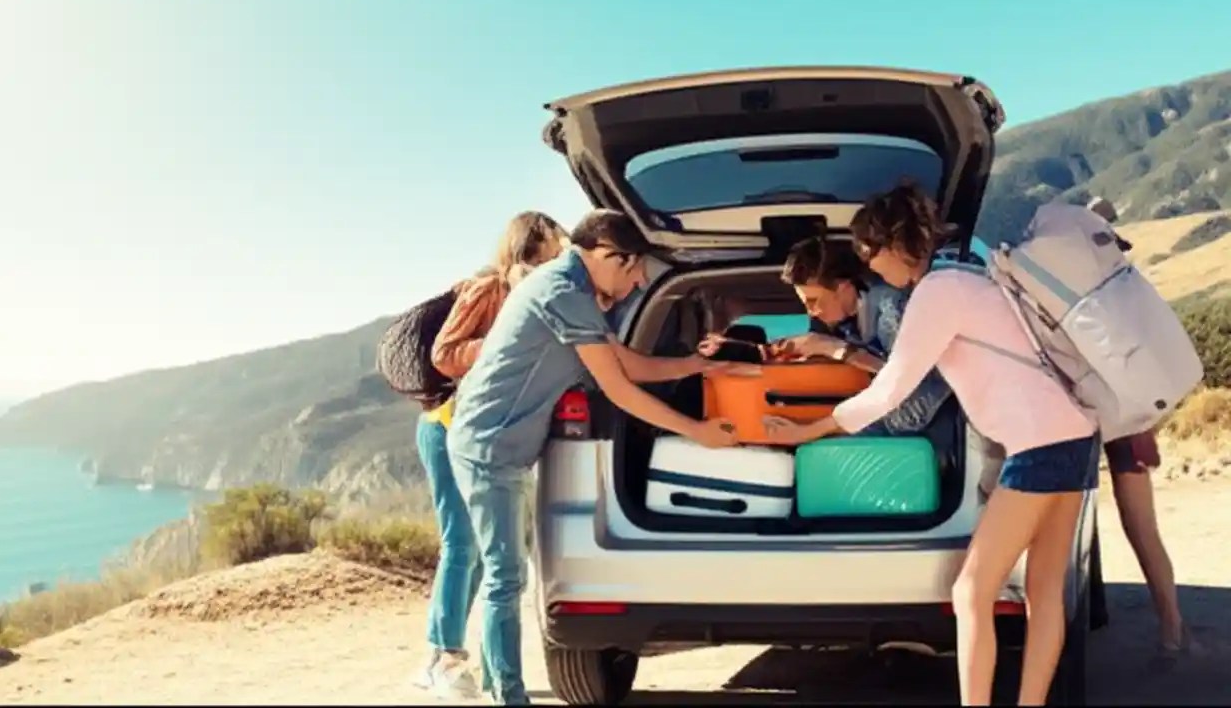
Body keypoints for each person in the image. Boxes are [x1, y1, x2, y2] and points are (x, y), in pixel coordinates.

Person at [761, 183, 1099, 706]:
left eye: (870, 256)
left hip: (1038, 448)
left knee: (971, 591)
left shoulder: (935, 292)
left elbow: (892, 391)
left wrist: (807, 432)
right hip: (1075, 434)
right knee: (1044, 592)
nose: (871, 270)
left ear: (896, 246)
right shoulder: (968, 276)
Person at [445, 208, 742, 705]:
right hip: (488, 446)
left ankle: (502, 686)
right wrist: (698, 432)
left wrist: (695, 366)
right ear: (607, 254)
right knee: (506, 576)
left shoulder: (572, 290)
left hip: (503, 446)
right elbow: (619, 389)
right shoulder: (563, 291)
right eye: (633, 269)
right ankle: (510, 698)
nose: (636, 282)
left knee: (504, 572)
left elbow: (626, 361)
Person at [411, 211, 568, 699]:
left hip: (482, 433)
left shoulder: (535, 294)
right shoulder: (488, 289)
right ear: (524, 248)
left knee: (487, 550)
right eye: (546, 247)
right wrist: (506, 342)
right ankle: (441, 655)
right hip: (447, 428)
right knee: (462, 543)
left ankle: (471, 660)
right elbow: (444, 353)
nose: (551, 257)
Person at [698, 236, 955, 440]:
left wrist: (815, 431)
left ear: (843, 288)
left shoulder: (891, 310)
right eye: (805, 304)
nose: (811, 311)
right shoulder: (834, 323)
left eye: (815, 301)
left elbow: (914, 406)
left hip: (940, 434)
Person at [1086, 195, 1194, 658]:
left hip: (1094, 414)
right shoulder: (1121, 290)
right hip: (1124, 417)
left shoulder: (1079, 292)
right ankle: (1170, 627)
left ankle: (1169, 624)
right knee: (1138, 523)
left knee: (1122, 523)